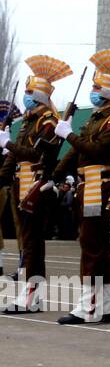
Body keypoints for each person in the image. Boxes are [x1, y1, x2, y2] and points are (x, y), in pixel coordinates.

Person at [1, 56, 72, 314]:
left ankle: (33, 296)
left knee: (32, 244)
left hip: (36, 187)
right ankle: (31, 294)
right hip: (21, 185)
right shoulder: (30, 121)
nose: (26, 96)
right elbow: (13, 159)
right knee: (26, 243)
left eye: (30, 93)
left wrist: (7, 143)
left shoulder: (48, 123)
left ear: (41, 96)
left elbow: (35, 155)